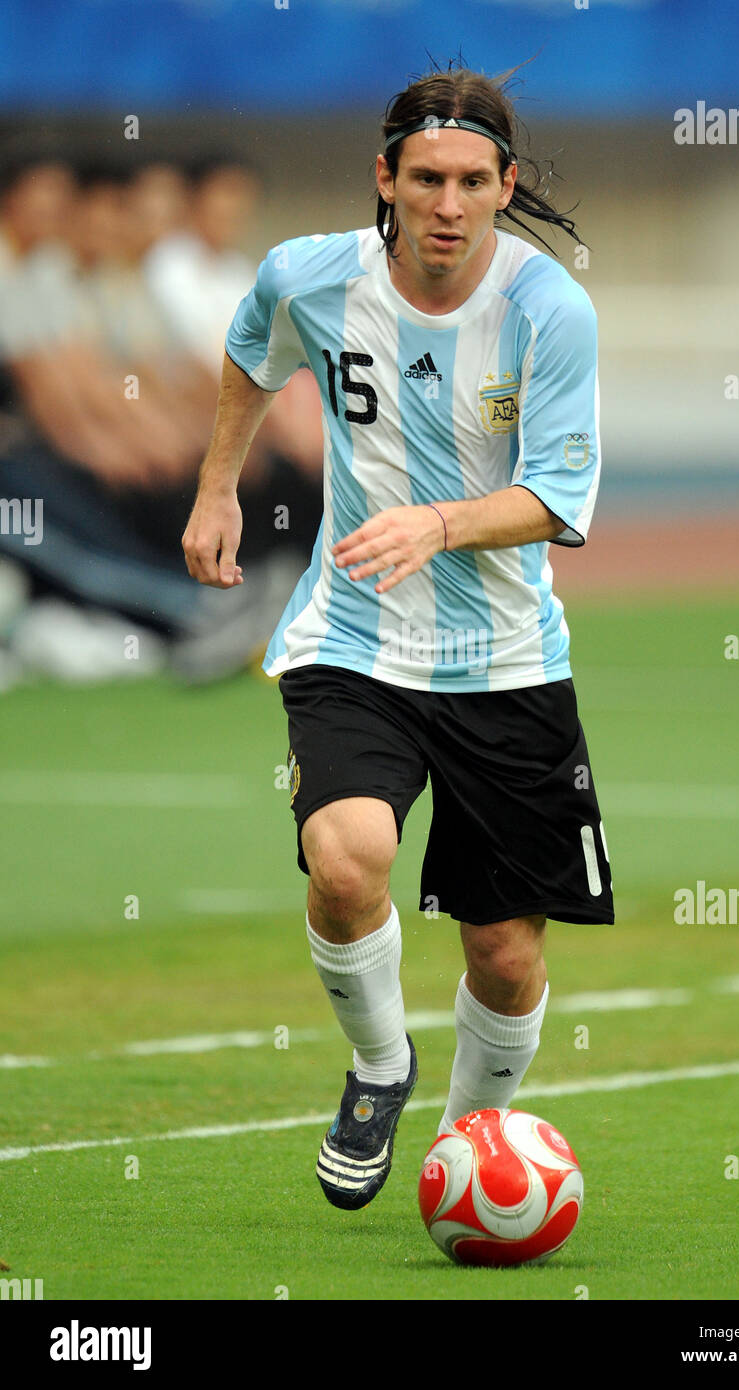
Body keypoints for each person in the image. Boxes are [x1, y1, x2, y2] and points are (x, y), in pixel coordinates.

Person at [182, 63, 614, 1212]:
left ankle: (472, 1139)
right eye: (425, 176)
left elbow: (558, 497)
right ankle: (379, 1066)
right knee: (346, 858)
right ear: (385, 176)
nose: (447, 204)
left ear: (504, 184)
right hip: (353, 640)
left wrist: (436, 521)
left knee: (504, 954)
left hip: (507, 660)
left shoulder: (547, 310)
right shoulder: (310, 277)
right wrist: (217, 487)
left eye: (473, 180)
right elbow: (246, 348)